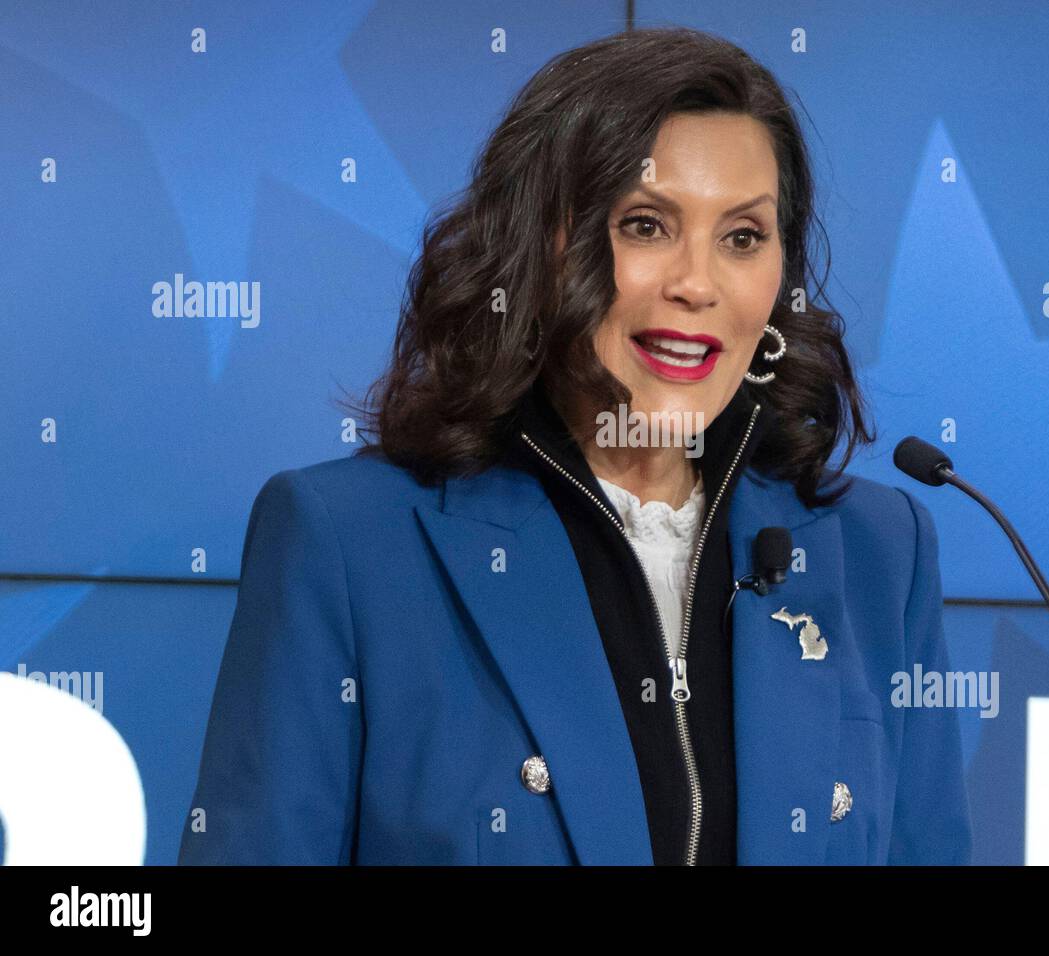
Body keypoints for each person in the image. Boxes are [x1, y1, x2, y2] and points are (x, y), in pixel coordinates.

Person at [178, 26, 972, 866]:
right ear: (536, 250)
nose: (697, 284)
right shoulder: (347, 544)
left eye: (742, 237)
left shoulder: (880, 553)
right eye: (645, 225)